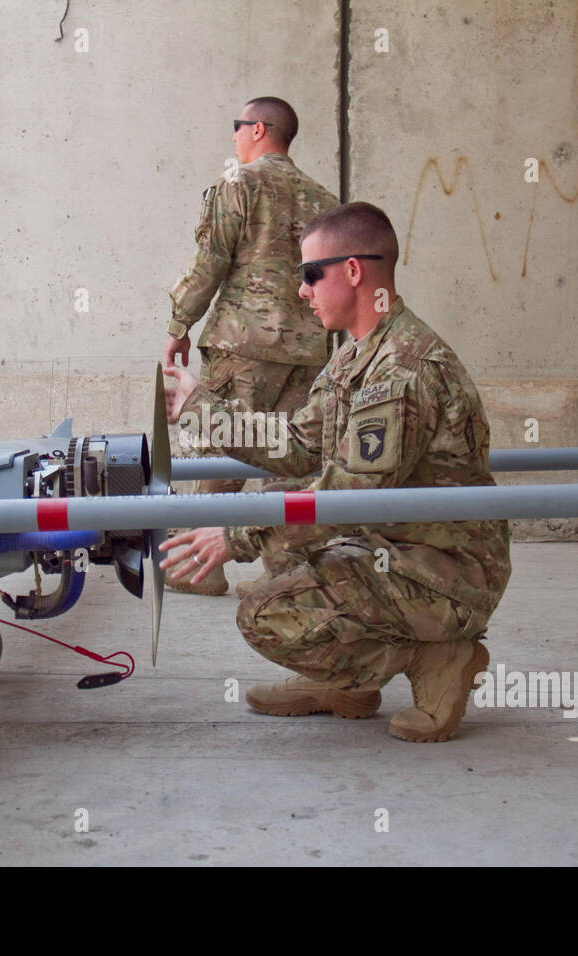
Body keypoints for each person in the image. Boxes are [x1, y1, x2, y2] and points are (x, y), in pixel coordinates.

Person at [160, 202, 512, 742]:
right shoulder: (355, 356)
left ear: (353, 271)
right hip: (398, 546)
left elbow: (352, 495)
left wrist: (239, 535)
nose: (302, 291)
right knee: (285, 528)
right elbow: (300, 443)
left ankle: (437, 657)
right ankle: (345, 683)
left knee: (262, 613)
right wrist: (200, 408)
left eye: (310, 275)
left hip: (444, 572)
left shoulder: (402, 370)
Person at [163, 96, 338, 595]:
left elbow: (210, 263)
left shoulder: (239, 183)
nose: (235, 137)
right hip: (306, 350)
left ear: (259, 129)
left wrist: (179, 325)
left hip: (244, 343)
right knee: (288, 457)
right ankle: (288, 570)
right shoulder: (324, 199)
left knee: (221, 447)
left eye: (237, 127)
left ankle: (197, 568)